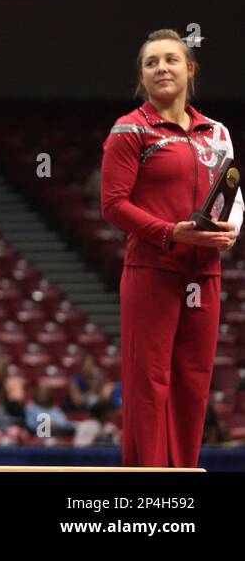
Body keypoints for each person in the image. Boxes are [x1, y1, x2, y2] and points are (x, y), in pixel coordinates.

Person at [101, 28, 242, 467]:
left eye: (171, 60)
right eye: (151, 63)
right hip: (153, 270)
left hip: (205, 274)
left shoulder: (217, 132)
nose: (161, 68)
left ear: (190, 70)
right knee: (149, 380)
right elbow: (113, 205)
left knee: (193, 379)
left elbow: (232, 194)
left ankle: (181, 473)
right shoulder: (130, 130)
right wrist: (170, 232)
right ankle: (147, 479)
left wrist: (233, 228)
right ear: (142, 78)